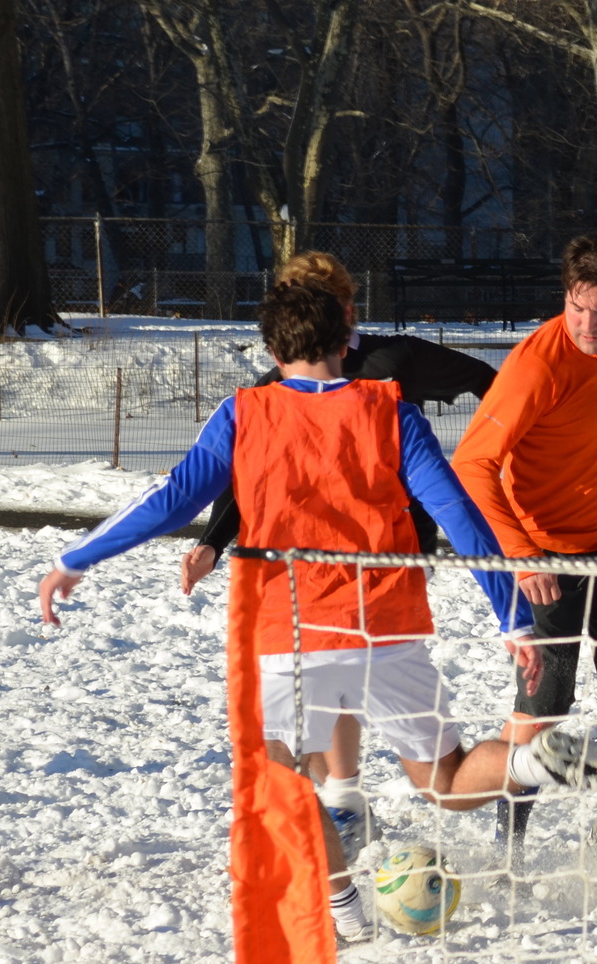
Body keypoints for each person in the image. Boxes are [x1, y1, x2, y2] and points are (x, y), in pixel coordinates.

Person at [35, 282, 597, 937]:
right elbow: (459, 515)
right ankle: (531, 761)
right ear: (344, 342)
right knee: (446, 781)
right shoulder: (393, 411)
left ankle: (346, 914)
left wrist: (78, 557)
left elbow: (172, 498)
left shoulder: (245, 412)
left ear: (273, 350)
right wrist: (513, 618)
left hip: (293, 632)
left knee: (280, 777)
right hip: (389, 627)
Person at [178, 252, 499, 839]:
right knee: (336, 673)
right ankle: (345, 798)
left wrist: (493, 448)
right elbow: (246, 480)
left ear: (347, 309)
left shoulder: (394, 359)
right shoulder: (273, 387)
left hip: (385, 557)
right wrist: (213, 541)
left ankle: (341, 805)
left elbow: (486, 380)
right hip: (312, 563)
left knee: (333, 666)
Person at [450, 233, 597, 838]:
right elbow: (472, 463)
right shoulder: (537, 366)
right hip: (544, 554)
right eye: (576, 308)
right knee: (541, 712)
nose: (587, 325)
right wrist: (524, 557)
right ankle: (509, 850)